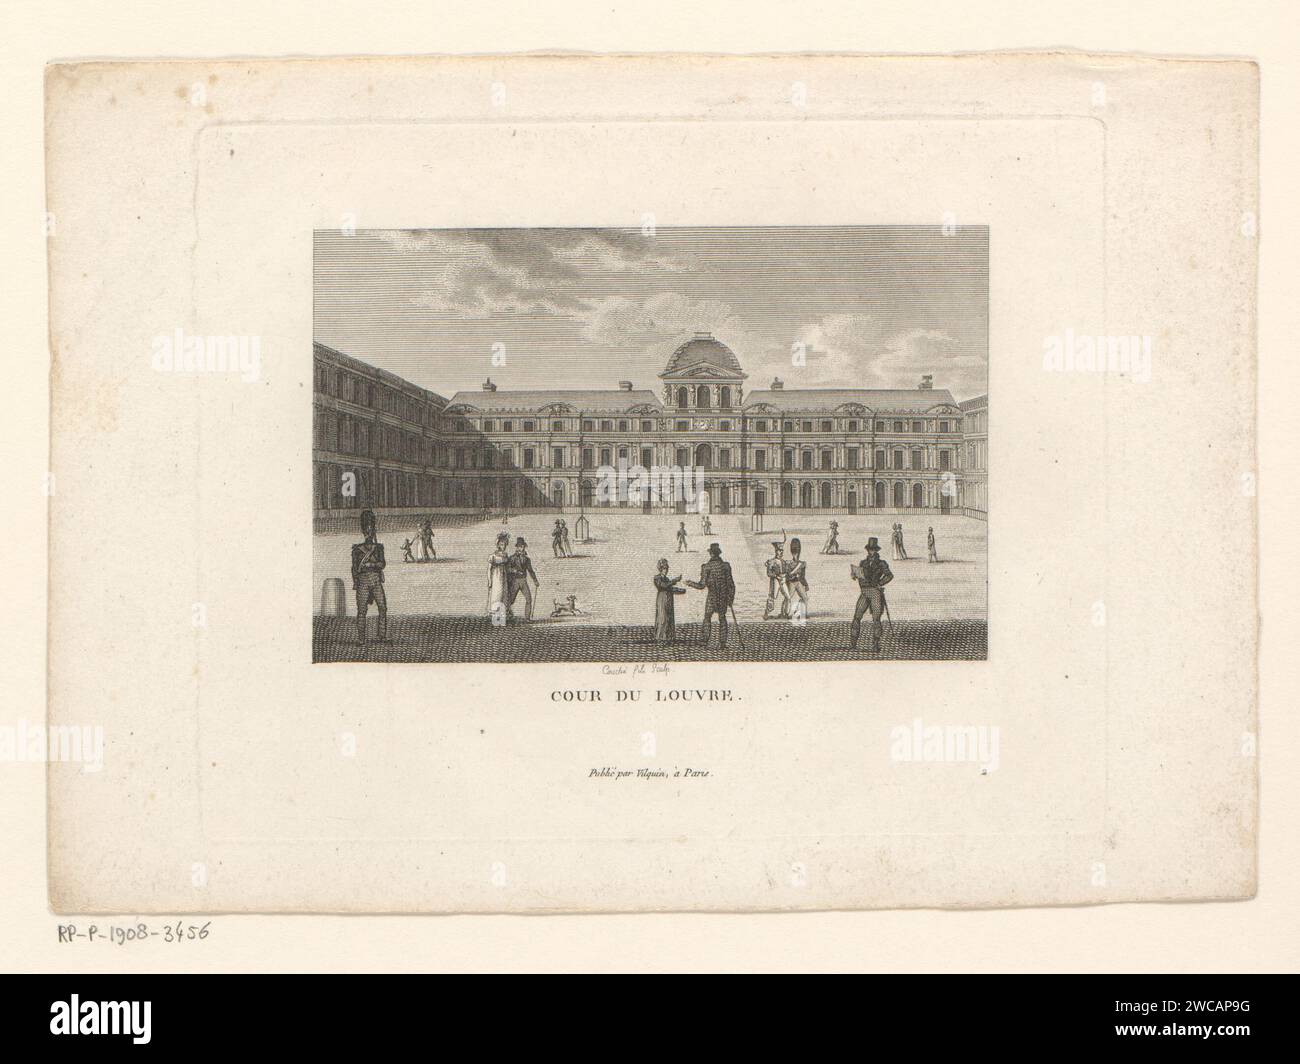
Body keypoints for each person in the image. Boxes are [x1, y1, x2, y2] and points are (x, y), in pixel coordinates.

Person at [686, 543, 735, 648]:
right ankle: (722, 643)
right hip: (723, 597)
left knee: (707, 617)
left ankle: (705, 640)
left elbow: (701, 585)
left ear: (711, 554)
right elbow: (731, 585)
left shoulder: (706, 567)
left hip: (712, 597)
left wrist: (690, 583)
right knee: (722, 618)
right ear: (718, 554)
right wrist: (730, 598)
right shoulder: (726, 566)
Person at [850, 537, 894, 652]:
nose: (871, 552)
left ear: (876, 551)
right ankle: (853, 642)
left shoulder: (881, 563)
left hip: (875, 592)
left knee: (876, 618)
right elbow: (860, 575)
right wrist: (855, 575)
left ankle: (876, 643)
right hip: (864, 592)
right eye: (870, 549)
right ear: (868, 550)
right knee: (857, 616)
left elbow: (889, 575)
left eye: (873, 550)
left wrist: (880, 583)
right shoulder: (863, 563)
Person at [351, 509, 387, 645]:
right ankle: (361, 638)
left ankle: (381, 635)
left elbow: (382, 564)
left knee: (383, 608)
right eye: (367, 531)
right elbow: (355, 568)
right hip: (363, 582)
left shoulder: (379, 548)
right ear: (364, 532)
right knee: (362, 611)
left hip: (376, 580)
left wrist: (372, 563)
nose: (369, 534)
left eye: (371, 531)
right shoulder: (357, 549)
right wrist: (356, 581)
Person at [506, 537, 540, 621]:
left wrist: (535, 581)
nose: (521, 548)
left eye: (522, 546)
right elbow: (507, 569)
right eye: (519, 546)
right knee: (511, 600)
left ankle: (527, 618)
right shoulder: (512, 558)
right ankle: (506, 615)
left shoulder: (527, 559)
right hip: (515, 581)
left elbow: (531, 571)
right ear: (517, 547)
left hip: (523, 581)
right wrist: (514, 571)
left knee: (529, 599)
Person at [653, 559, 686, 642]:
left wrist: (682, 590)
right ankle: (660, 638)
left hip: (669, 600)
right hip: (662, 600)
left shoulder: (667, 579)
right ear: (660, 569)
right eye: (664, 568)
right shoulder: (657, 578)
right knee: (662, 618)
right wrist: (675, 580)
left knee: (669, 618)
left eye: (666, 568)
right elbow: (663, 586)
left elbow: (670, 588)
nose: (666, 570)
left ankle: (668, 638)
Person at [763, 540, 790, 620]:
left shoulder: (784, 562)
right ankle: (767, 613)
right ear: (776, 551)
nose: (781, 552)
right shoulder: (771, 561)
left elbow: (786, 571)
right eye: (779, 551)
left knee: (788, 597)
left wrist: (785, 576)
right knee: (773, 597)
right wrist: (776, 576)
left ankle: (785, 613)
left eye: (782, 551)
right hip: (776, 581)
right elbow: (769, 573)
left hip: (783, 580)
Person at [487, 532, 510, 624]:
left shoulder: (505, 555)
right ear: (498, 545)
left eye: (504, 544)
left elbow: (508, 567)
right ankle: (496, 620)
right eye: (501, 544)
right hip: (496, 578)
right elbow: (489, 569)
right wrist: (489, 581)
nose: (503, 546)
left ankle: (502, 619)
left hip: (504, 577)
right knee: (497, 595)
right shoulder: (493, 556)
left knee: (504, 596)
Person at [785, 537, 810, 622]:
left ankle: (803, 613)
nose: (796, 554)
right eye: (795, 551)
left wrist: (805, 584)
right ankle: (788, 613)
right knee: (788, 598)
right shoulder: (789, 563)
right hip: (792, 582)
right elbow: (787, 575)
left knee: (805, 598)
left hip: (798, 582)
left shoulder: (802, 564)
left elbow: (802, 576)